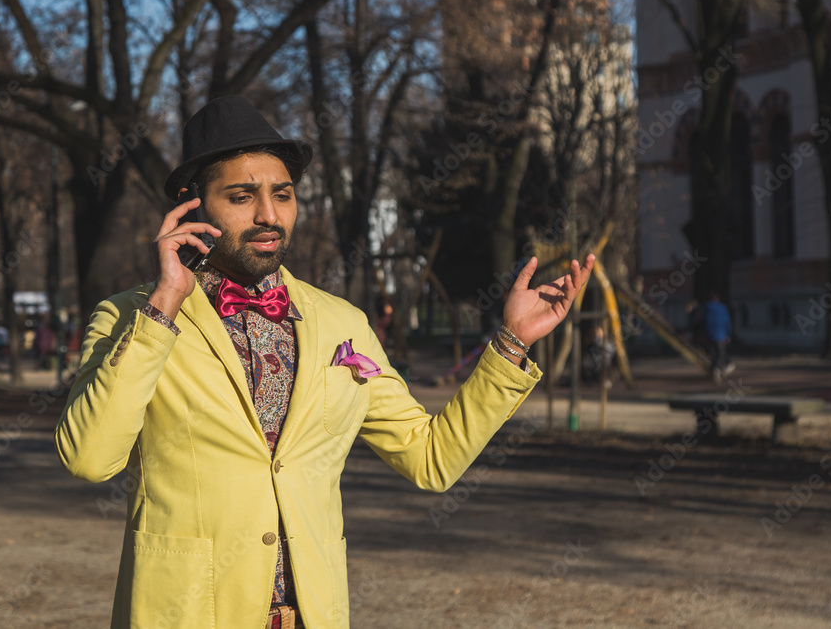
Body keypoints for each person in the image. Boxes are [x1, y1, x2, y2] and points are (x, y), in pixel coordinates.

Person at [54, 95, 595, 629]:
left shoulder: (343, 323)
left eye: (282, 195)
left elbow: (431, 458)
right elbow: (88, 458)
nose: (269, 216)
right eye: (241, 196)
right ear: (193, 205)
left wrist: (512, 343)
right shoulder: (130, 318)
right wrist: (163, 306)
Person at [703, 292, 733, 382]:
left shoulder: (706, 308)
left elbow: (704, 321)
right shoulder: (722, 308)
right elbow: (727, 321)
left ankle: (715, 369)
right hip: (721, 334)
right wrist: (728, 334)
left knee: (713, 354)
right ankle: (717, 369)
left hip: (709, 334)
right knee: (720, 354)